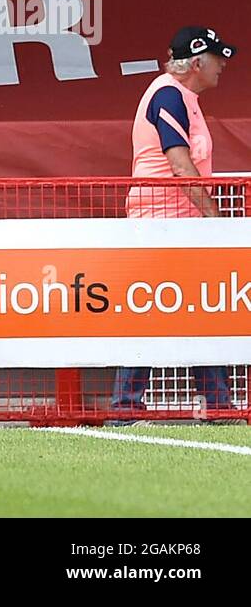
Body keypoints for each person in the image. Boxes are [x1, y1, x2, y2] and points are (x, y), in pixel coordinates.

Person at [112, 25, 237, 424]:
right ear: (197, 62)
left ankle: (215, 403)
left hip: (176, 221)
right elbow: (180, 165)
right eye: (218, 58)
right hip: (161, 222)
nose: (223, 66)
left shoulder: (183, 96)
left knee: (195, 308)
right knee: (158, 308)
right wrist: (214, 217)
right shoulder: (169, 94)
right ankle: (127, 405)